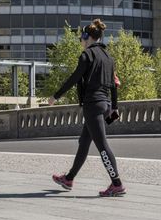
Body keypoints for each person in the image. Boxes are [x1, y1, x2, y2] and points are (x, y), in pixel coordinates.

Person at [49, 19, 125, 197]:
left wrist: (55, 96)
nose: (81, 42)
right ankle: (69, 178)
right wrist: (114, 107)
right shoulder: (108, 57)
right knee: (84, 142)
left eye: (81, 38)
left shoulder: (87, 55)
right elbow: (114, 84)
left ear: (86, 37)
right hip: (105, 105)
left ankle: (117, 184)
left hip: (93, 106)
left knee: (102, 146)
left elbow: (74, 78)